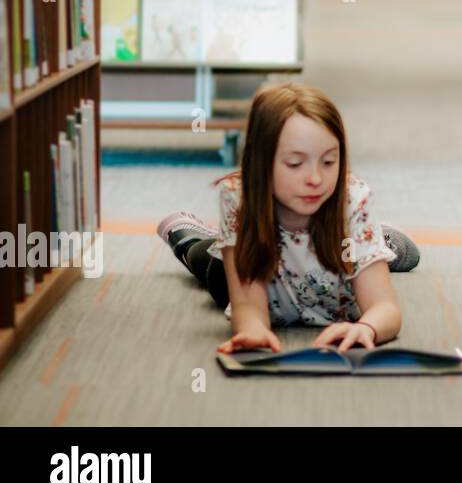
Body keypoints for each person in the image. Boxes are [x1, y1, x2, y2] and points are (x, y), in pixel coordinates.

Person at [155, 82, 420, 354]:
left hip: (338, 250)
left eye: (329, 162)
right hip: (262, 271)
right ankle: (192, 238)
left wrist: (368, 327)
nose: (316, 179)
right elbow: (248, 309)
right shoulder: (238, 200)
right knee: (214, 273)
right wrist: (253, 329)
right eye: (295, 164)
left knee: (390, 256)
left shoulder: (352, 199)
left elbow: (386, 309)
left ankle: (370, 239)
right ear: (261, 163)